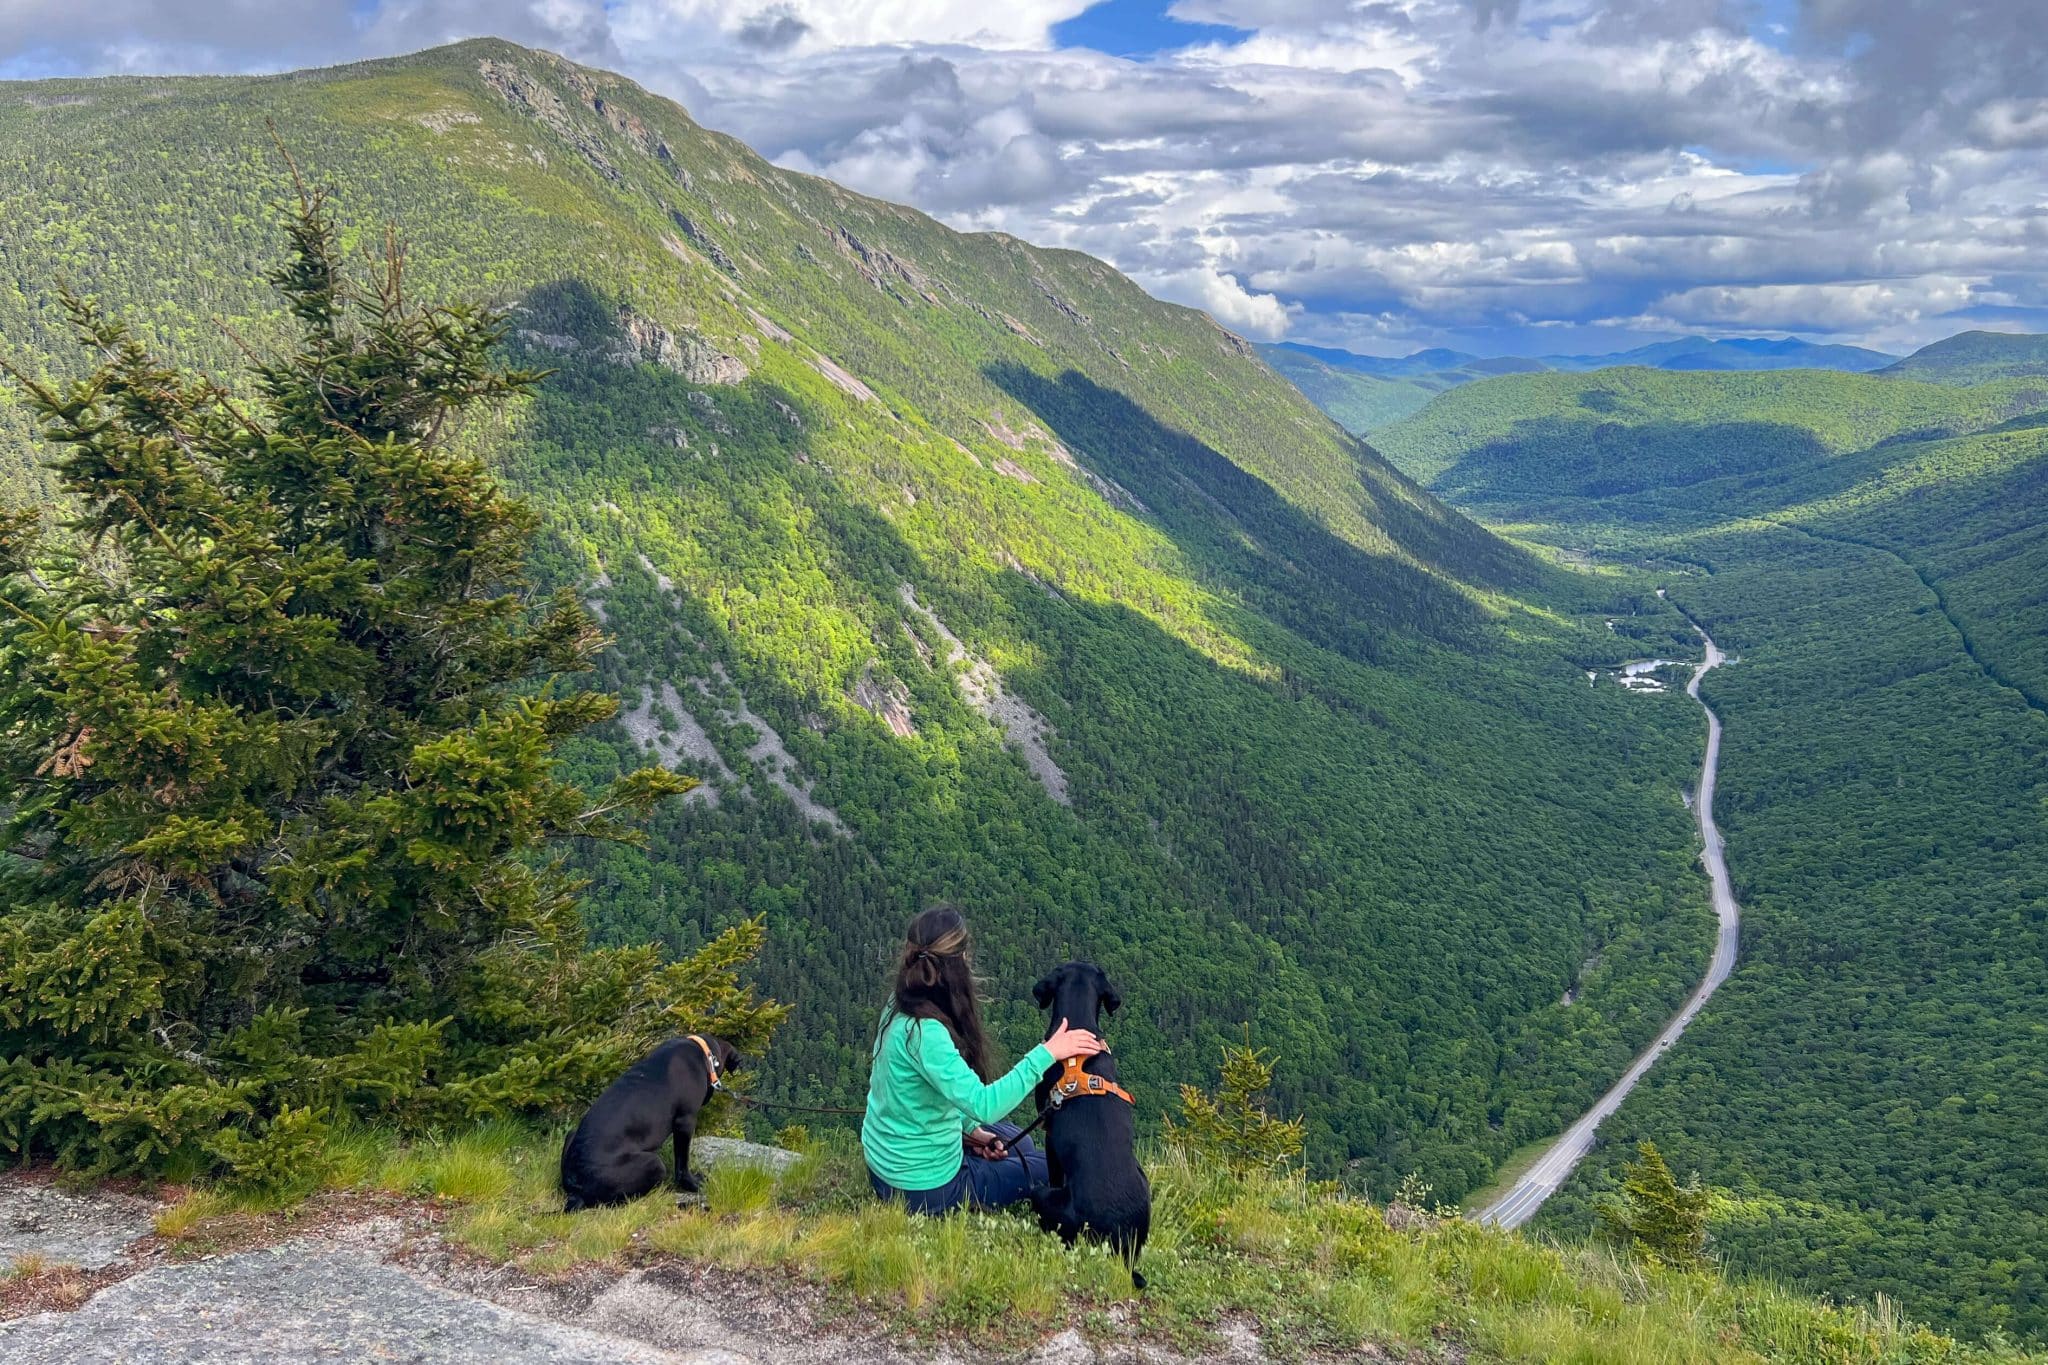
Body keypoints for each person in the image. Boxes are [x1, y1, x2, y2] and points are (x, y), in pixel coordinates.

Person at [862, 905, 1105, 1214]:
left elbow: (927, 1093)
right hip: (923, 1188)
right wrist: (1047, 1053)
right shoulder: (927, 1034)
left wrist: (972, 1133)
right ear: (956, 963)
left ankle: (976, 1148)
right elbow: (984, 1104)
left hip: (887, 1164)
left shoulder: (899, 1005)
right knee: (1052, 1171)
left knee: (1020, 1144)